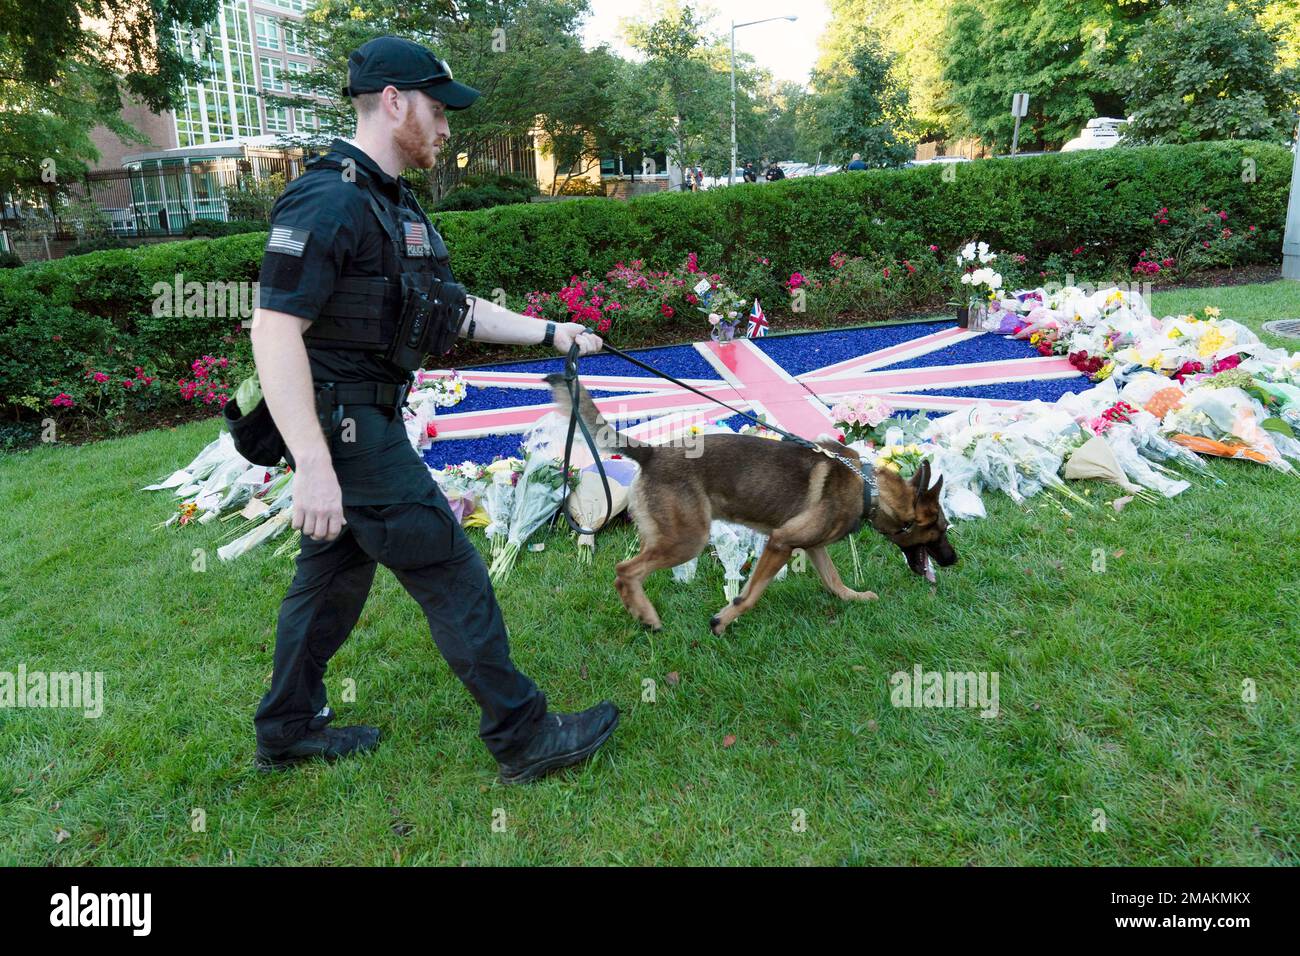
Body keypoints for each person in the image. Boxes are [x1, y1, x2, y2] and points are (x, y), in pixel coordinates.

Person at [247, 35, 619, 783]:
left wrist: (554, 332)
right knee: (450, 567)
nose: (448, 127)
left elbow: (454, 310)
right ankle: (524, 737)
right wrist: (316, 466)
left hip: (364, 418)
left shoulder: (391, 203)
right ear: (393, 103)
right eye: (438, 109)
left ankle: (286, 729)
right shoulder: (326, 197)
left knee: (333, 575)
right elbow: (273, 328)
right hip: (343, 424)